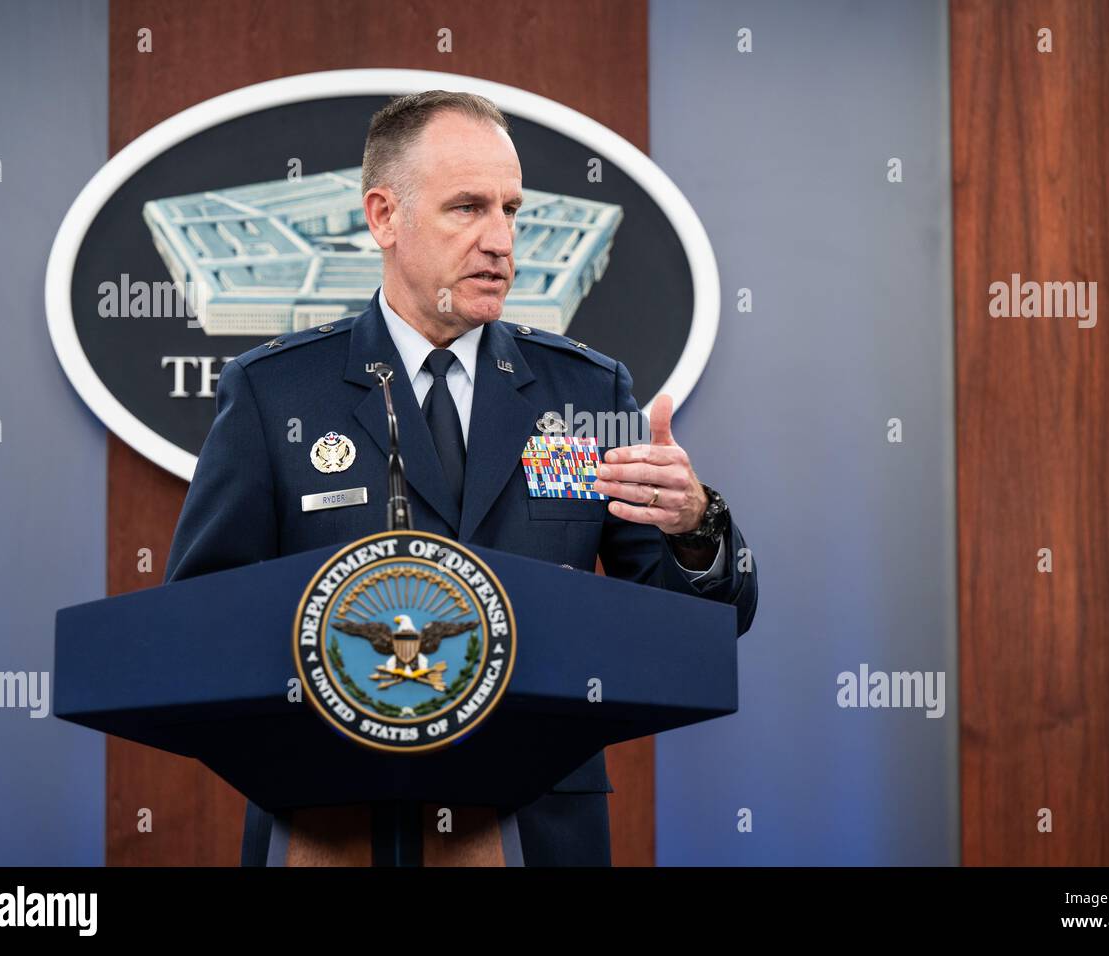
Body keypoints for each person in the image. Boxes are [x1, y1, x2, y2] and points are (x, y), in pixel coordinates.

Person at [164, 90, 758, 866]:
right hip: (335, 824)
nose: (501, 241)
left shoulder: (586, 393)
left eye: (512, 209)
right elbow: (200, 627)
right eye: (468, 208)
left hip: (535, 828)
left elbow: (697, 627)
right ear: (383, 216)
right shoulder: (276, 393)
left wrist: (694, 529)